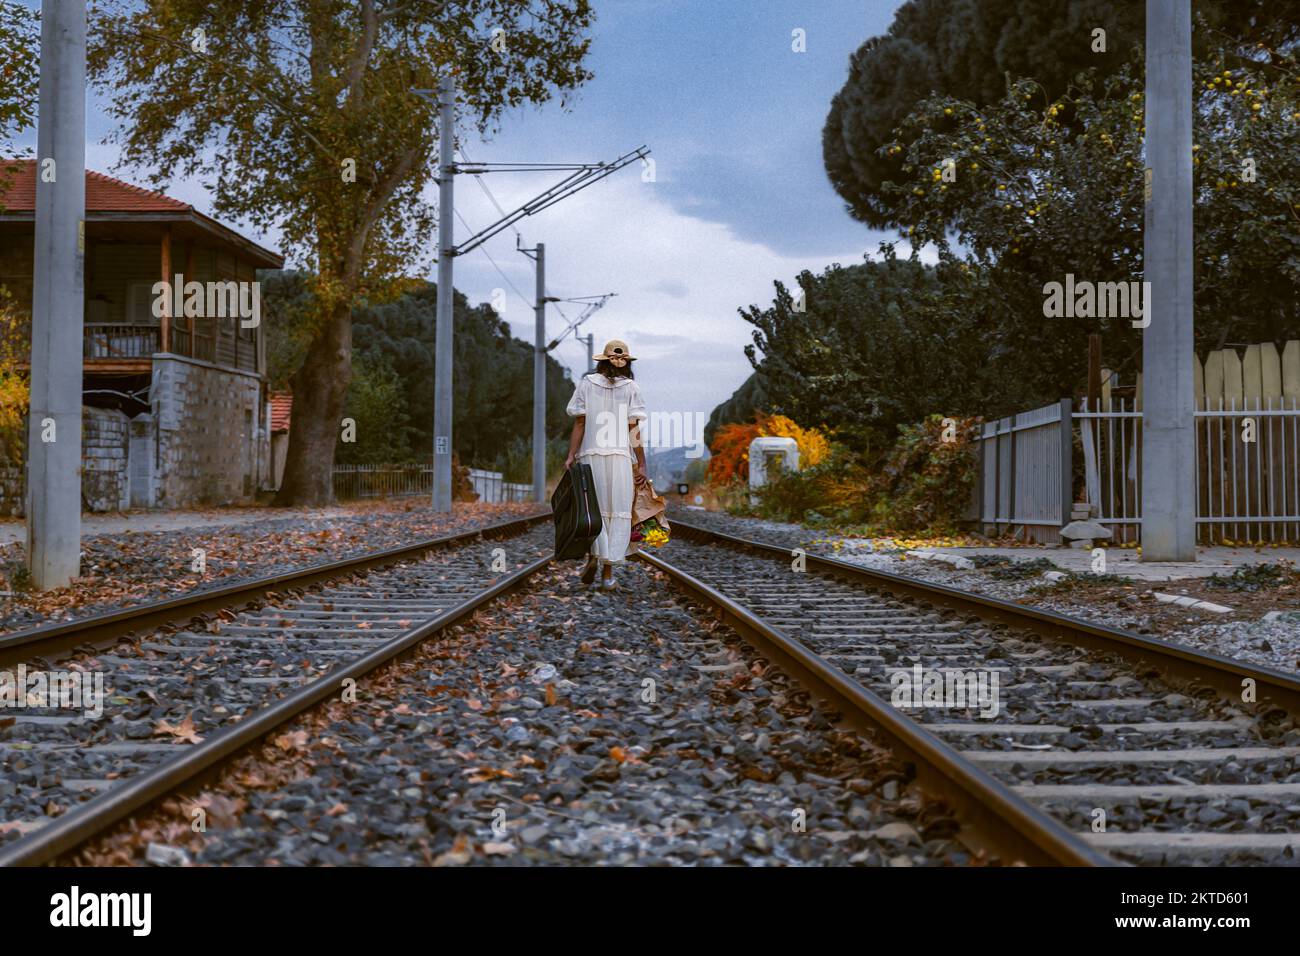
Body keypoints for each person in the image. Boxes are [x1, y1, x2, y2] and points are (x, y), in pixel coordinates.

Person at [563, 339, 649, 590]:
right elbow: (633, 430)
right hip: (620, 458)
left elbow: (580, 423)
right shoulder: (632, 388)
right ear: (626, 364)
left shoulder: (586, 385)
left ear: (601, 361)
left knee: (593, 510)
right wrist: (642, 463)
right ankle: (608, 574)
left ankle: (592, 556)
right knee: (617, 510)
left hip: (591, 456)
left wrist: (571, 455)